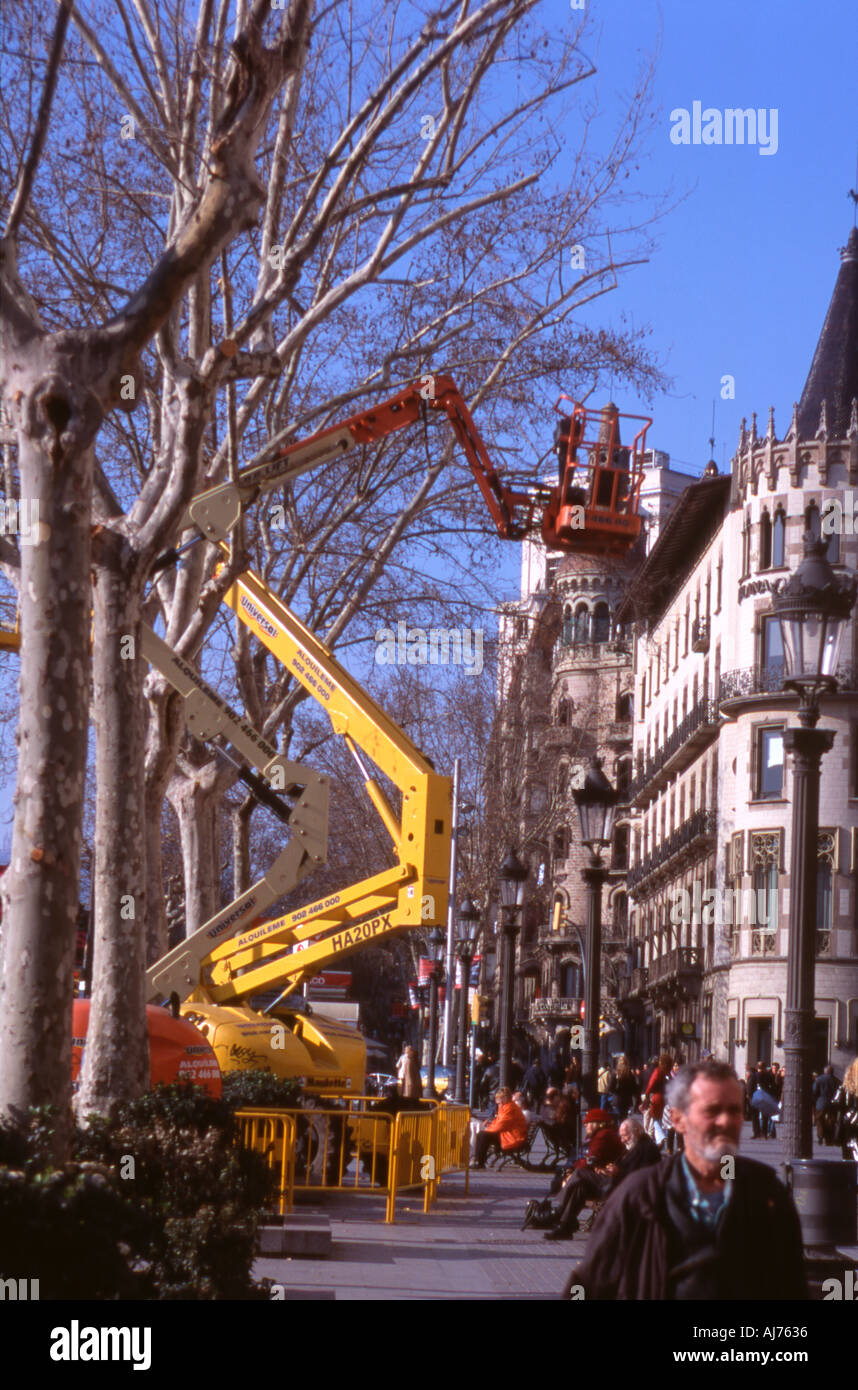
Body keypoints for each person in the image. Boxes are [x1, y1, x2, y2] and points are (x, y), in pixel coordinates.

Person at [568, 1060, 807, 1300]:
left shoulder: (766, 1194)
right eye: (711, 1111)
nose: (725, 1121)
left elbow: (792, 1288)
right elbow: (586, 1285)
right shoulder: (639, 1197)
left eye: (734, 1110)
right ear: (677, 1119)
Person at [542, 1114, 660, 1241]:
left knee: (580, 1173)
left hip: (624, 1186)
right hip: (616, 1181)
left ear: (636, 1131)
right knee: (580, 1186)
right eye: (621, 1136)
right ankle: (565, 1226)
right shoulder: (635, 1145)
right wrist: (605, 1169)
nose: (623, 1140)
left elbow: (641, 1173)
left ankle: (559, 1211)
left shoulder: (646, 1148)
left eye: (625, 1136)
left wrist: (618, 1171)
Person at [473, 1087, 528, 1168]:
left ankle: (479, 1162)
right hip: (508, 1135)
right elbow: (497, 1122)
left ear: (504, 1099)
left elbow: (501, 1125)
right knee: (482, 1134)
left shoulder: (509, 1108)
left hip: (512, 1138)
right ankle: (479, 1160)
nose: (498, 1105)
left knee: (483, 1135)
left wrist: (487, 1130)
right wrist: (488, 1129)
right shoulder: (506, 1107)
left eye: (498, 1102)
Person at [832, 1058, 858, 1161]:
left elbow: (835, 1103)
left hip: (848, 1123)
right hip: (851, 1122)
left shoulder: (844, 1088)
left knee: (849, 1158)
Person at [749, 1060, 778, 1139]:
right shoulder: (768, 1076)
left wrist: (751, 1097)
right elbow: (773, 1087)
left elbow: (750, 1087)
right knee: (765, 1116)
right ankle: (764, 1133)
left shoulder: (754, 1076)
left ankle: (756, 1133)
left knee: (755, 1116)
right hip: (765, 1097)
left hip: (755, 1098)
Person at [812, 1064, 840, 1145]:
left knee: (819, 1120)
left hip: (821, 1103)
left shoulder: (819, 1079)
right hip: (833, 1104)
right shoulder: (837, 1081)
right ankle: (829, 1138)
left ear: (824, 1071)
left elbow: (814, 1091)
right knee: (831, 1121)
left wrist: (816, 1100)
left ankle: (820, 1136)